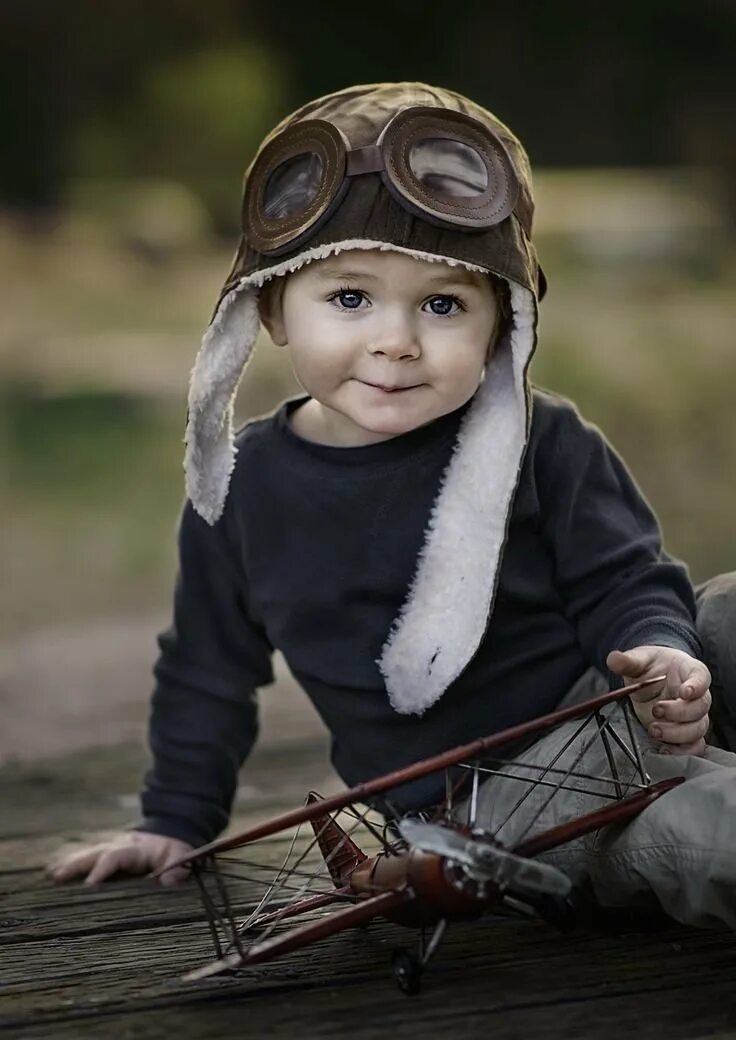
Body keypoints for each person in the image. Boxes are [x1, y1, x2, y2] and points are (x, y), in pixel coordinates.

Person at [48, 82, 736, 927]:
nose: (396, 340)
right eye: (349, 298)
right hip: (499, 815)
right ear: (271, 308)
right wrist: (171, 822)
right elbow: (206, 670)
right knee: (707, 826)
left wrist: (663, 654)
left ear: (499, 328)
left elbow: (624, 581)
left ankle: (695, 742)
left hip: (606, 705)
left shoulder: (544, 440)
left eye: (444, 304)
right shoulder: (244, 492)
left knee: (728, 608)